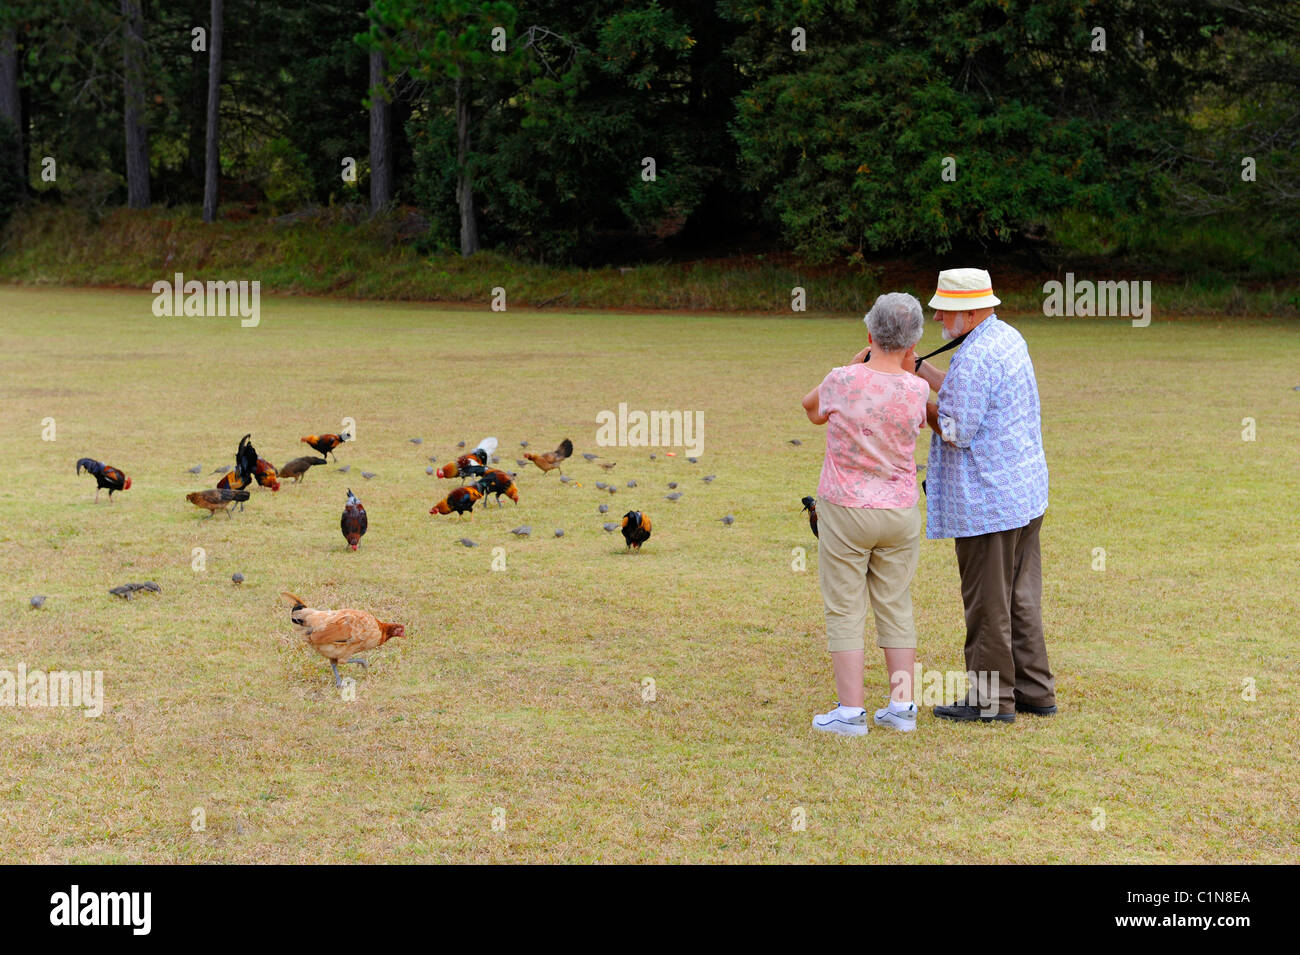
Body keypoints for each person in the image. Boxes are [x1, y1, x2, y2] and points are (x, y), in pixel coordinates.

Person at [912, 268, 1056, 723]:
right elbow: (966, 395)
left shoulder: (976, 357)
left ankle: (991, 703)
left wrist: (912, 401)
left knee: (987, 606)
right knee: (1020, 598)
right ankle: (1035, 691)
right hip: (1023, 495)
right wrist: (920, 371)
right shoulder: (1006, 337)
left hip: (988, 504)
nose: (937, 316)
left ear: (970, 311)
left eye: (944, 310)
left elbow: (955, 428)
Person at [801, 293, 930, 735]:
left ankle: (851, 712)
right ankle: (901, 707)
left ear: (870, 334)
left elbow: (811, 409)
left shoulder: (843, 379)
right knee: (895, 604)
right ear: (914, 342)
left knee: (844, 608)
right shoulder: (918, 388)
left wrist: (854, 363)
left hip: (846, 508)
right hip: (900, 511)